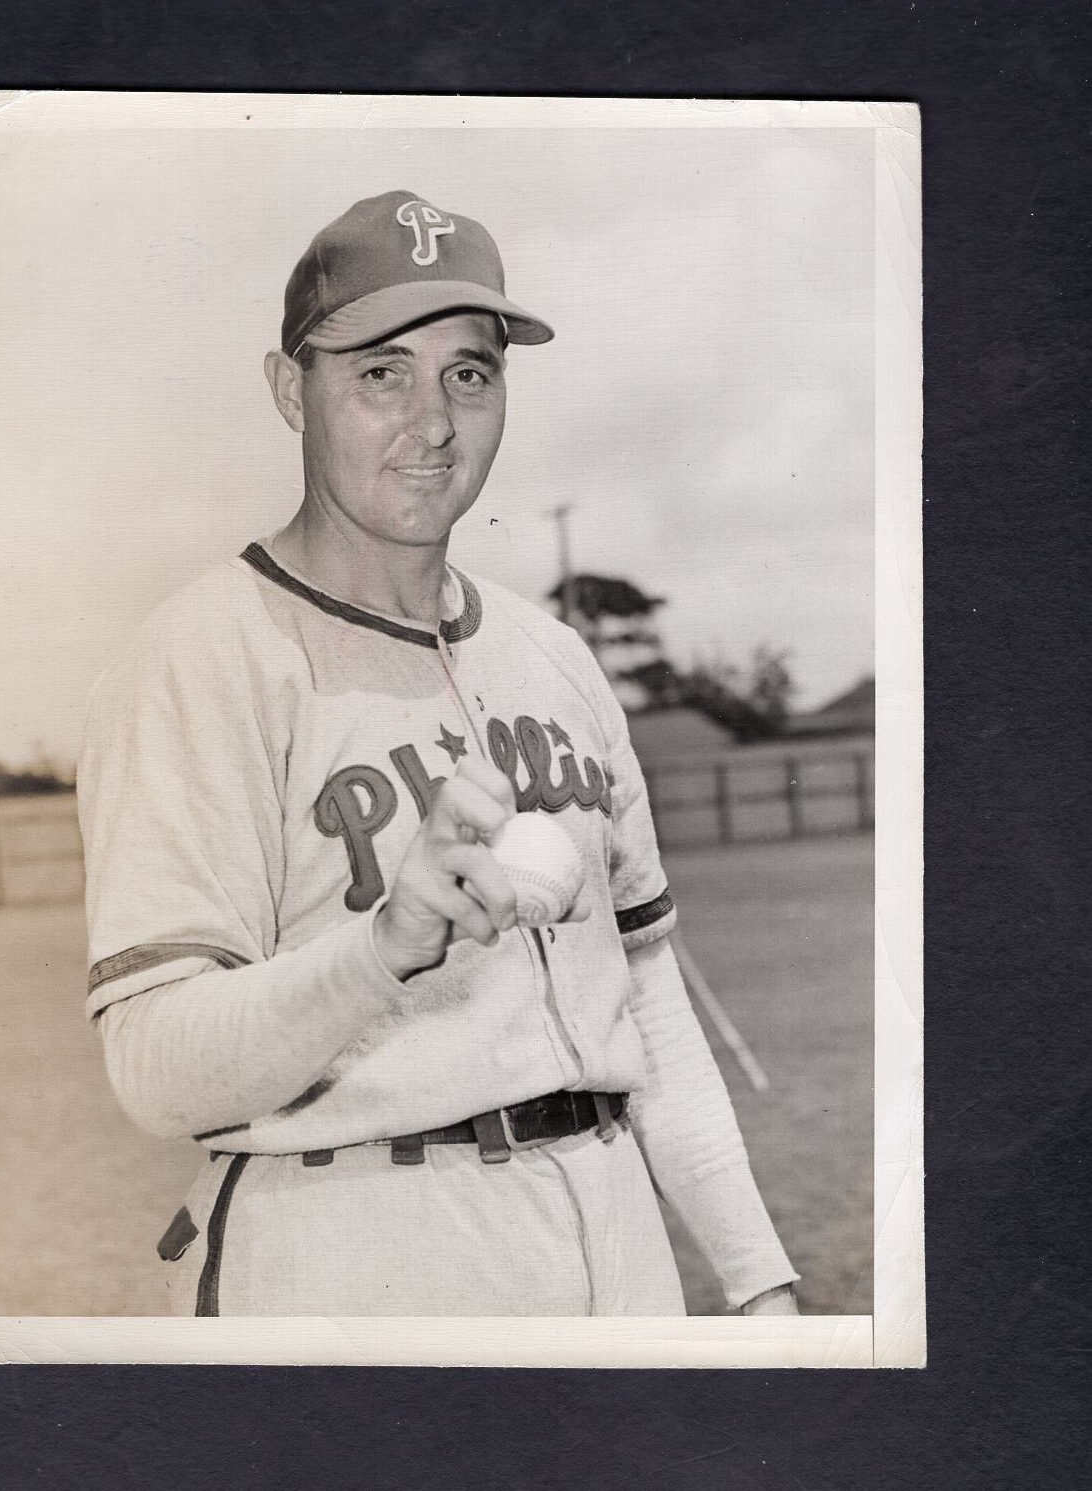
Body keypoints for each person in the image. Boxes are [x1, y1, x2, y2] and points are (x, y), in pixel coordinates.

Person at [77, 190, 800, 1317]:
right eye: (380, 371)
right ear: (288, 389)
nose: (433, 422)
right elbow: (155, 1066)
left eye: (469, 372)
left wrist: (755, 1282)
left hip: (615, 1235)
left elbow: (644, 994)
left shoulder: (555, 656)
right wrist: (385, 947)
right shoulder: (200, 658)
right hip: (355, 1239)